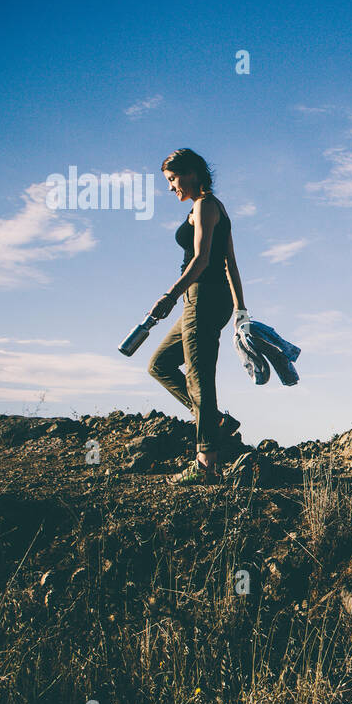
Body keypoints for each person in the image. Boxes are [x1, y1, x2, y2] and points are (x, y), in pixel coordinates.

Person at [147, 148, 248, 485]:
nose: (171, 187)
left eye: (173, 179)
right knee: (159, 364)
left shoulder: (205, 205)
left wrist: (170, 295)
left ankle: (206, 462)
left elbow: (204, 259)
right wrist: (240, 309)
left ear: (192, 173)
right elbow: (230, 263)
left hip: (201, 297)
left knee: (199, 376)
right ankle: (215, 422)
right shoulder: (216, 207)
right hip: (207, 299)